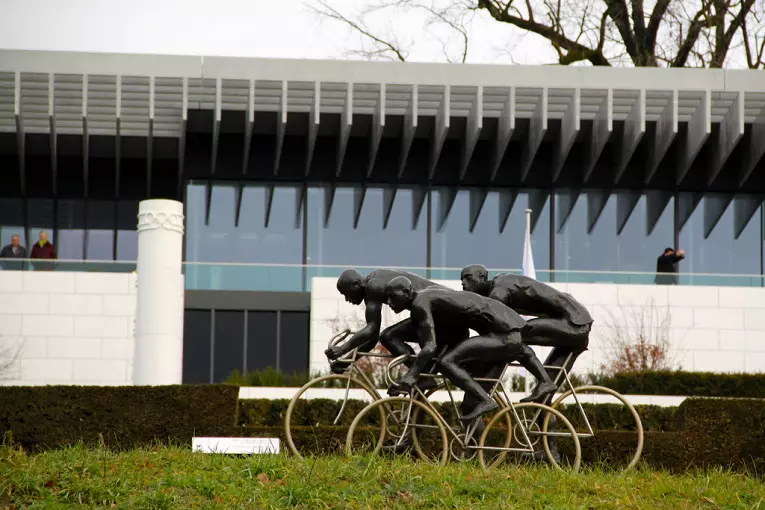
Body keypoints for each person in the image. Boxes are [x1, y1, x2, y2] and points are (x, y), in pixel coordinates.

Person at [460, 264, 594, 463]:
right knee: (543, 397)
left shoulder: (499, 290)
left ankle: (487, 390)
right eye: (461, 279)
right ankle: (551, 454)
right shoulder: (497, 288)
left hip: (574, 323)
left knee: (514, 337)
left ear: (482, 278)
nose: (463, 283)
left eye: (468, 278)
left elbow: (495, 329)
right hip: (573, 325)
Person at [385, 276, 558, 423]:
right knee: (453, 360)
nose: (389, 303)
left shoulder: (420, 303)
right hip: (505, 329)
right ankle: (545, 381)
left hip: (503, 333)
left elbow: (430, 346)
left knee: (447, 362)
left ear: (407, 292)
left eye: (393, 297)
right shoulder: (427, 296)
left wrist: (410, 377)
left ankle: (485, 400)